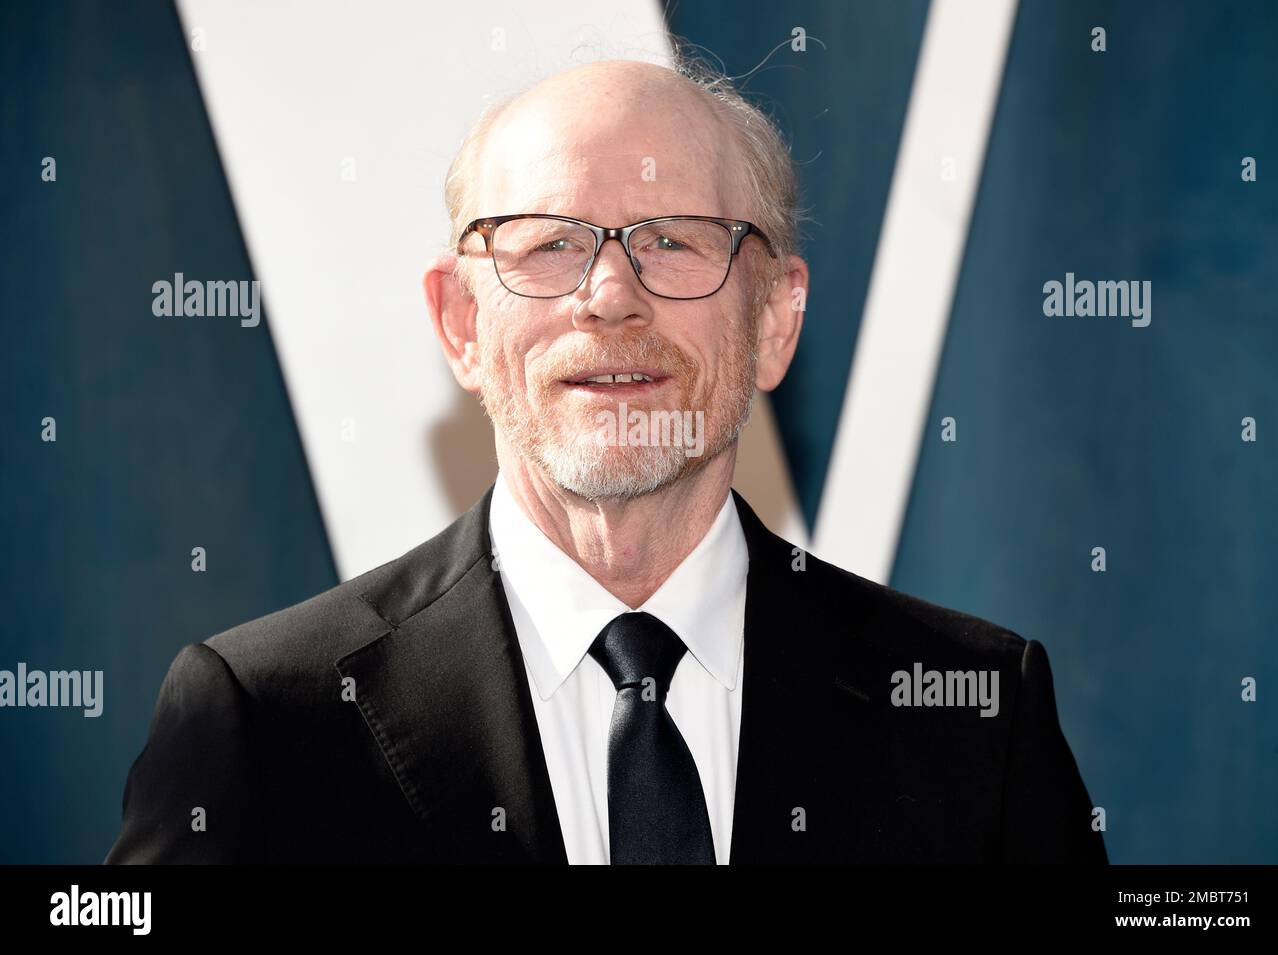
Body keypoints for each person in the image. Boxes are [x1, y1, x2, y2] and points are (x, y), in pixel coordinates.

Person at [105, 55, 1106, 865]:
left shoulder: (976, 711)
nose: (611, 295)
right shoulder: (261, 721)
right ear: (459, 322)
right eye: (548, 245)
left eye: (672, 240)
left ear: (774, 318)